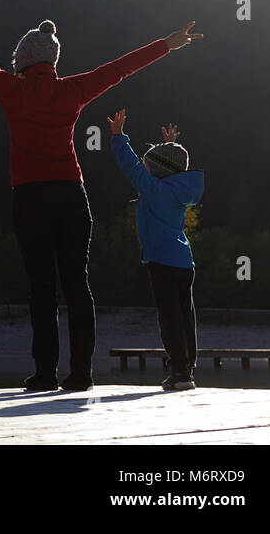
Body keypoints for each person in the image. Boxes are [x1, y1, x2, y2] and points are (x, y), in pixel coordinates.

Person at [0, 10, 202, 391]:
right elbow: (119, 69)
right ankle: (81, 374)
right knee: (77, 284)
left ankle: (45, 372)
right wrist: (167, 44)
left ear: (23, 62)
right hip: (70, 197)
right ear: (52, 60)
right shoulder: (71, 90)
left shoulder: (11, 90)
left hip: (30, 198)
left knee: (42, 288)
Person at [106, 110, 203, 390]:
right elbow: (173, 166)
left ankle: (180, 372)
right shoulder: (178, 189)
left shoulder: (154, 190)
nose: (145, 169)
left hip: (162, 261)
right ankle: (188, 369)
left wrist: (118, 137)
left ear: (158, 170)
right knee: (185, 315)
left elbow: (130, 166)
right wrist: (171, 146)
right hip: (185, 262)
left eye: (150, 166)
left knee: (169, 317)